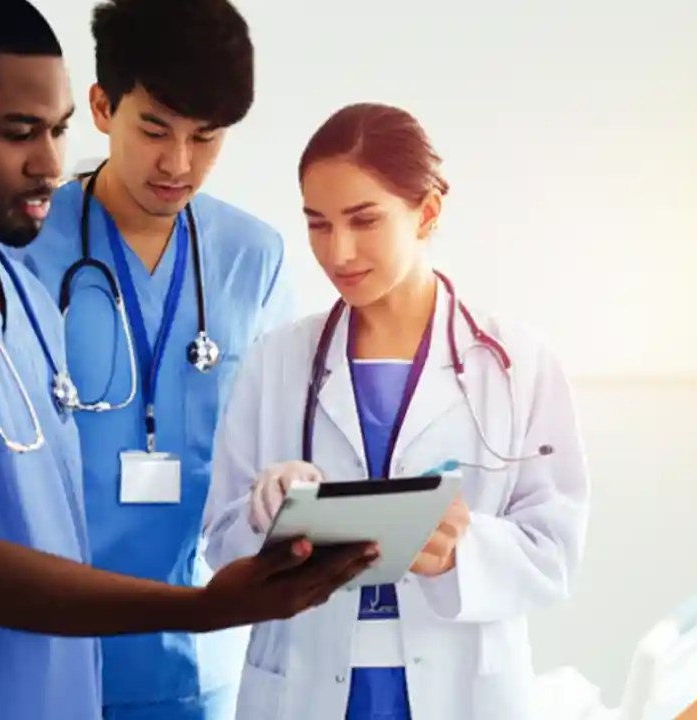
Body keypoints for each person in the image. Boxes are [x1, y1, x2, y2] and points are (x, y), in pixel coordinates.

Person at [0, 2, 375, 717]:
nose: (51, 164)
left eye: (55, 133)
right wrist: (201, 607)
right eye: (19, 133)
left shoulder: (16, 289)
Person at [201, 102, 592, 720]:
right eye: (318, 224)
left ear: (428, 212)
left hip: (461, 683)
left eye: (364, 220)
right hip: (305, 680)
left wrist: (465, 549)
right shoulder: (277, 360)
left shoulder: (517, 363)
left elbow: (555, 551)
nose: (339, 252)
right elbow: (221, 545)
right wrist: (264, 512)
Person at [12, 1, 292, 718]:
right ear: (102, 107)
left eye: (207, 138)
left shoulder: (251, 257)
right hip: (48, 642)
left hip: (204, 646)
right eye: (154, 129)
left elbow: (277, 442)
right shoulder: (19, 251)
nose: (179, 164)